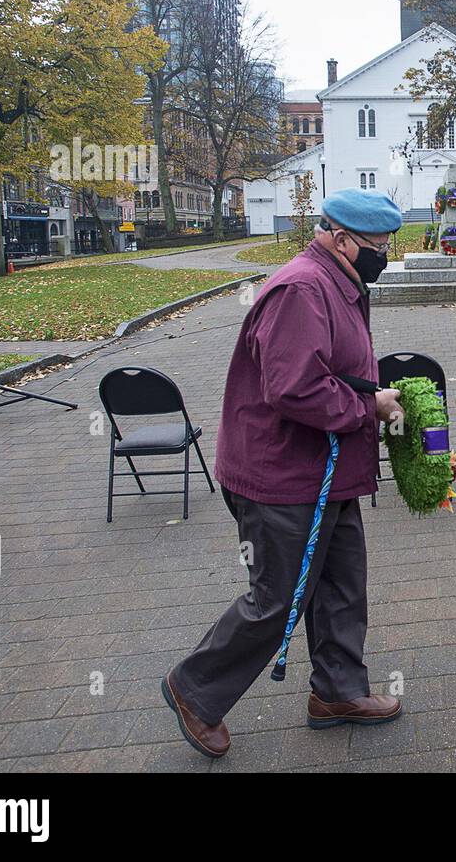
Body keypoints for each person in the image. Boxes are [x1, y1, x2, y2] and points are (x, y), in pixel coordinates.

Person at [162, 189, 406, 759]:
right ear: (340, 239)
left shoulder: (337, 280)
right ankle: (194, 690)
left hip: (324, 470)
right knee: (278, 599)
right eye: (377, 244)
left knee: (342, 585)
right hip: (281, 477)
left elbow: (330, 366)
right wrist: (367, 408)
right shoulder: (302, 288)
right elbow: (293, 387)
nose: (384, 254)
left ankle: (338, 692)